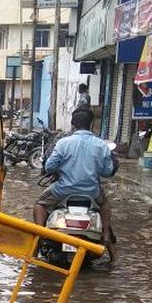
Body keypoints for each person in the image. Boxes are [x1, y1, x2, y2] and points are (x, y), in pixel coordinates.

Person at [35, 108, 118, 264]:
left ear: (72, 125)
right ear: (91, 125)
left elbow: (49, 167)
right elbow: (107, 172)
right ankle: (106, 235)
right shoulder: (101, 145)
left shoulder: (63, 143)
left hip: (62, 191)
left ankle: (40, 236)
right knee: (105, 205)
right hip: (92, 193)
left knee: (39, 205)